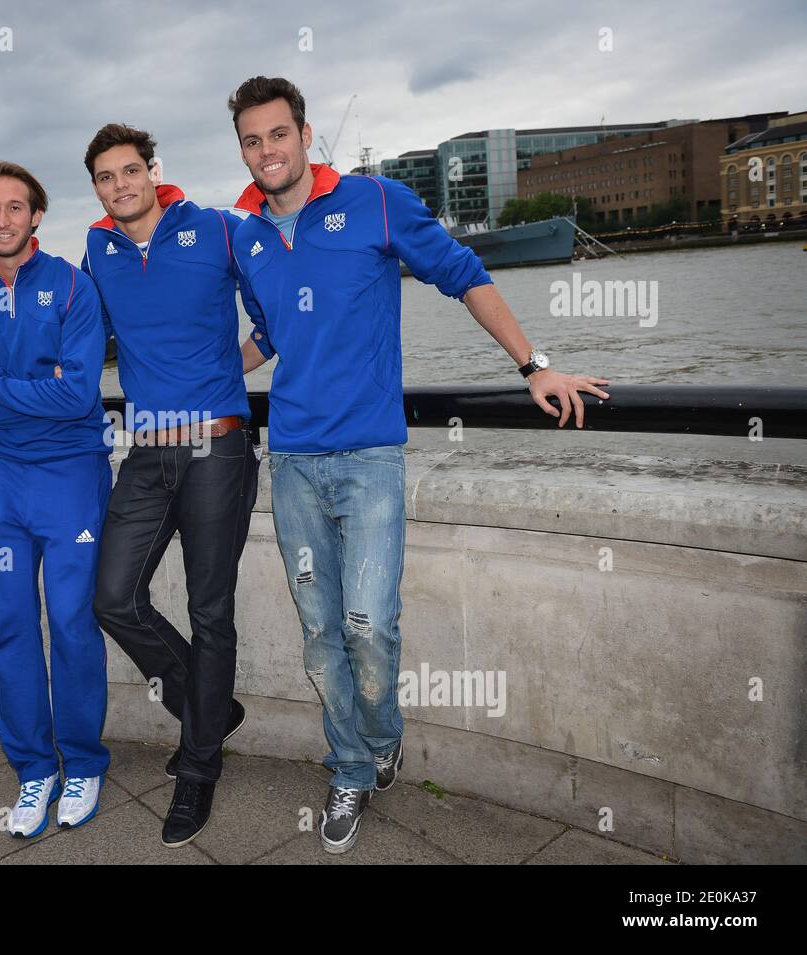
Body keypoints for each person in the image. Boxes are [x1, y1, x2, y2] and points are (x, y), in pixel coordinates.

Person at [226, 76, 611, 854]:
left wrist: (535, 364)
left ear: (304, 135)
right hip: (294, 460)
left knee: (370, 624)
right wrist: (203, 391)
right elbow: (267, 337)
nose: (267, 150)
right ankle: (349, 769)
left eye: (278, 134)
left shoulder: (376, 201)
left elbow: (462, 274)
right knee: (319, 633)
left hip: (370, 456)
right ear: (243, 148)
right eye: (251, 140)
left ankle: (381, 734)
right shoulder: (248, 236)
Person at [81, 124, 260, 847]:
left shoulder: (215, 229)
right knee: (113, 597)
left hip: (216, 448)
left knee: (211, 610)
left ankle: (200, 764)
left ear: (154, 171)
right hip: (148, 456)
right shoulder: (97, 248)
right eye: (105, 176)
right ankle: (207, 706)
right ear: (95, 187)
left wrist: (222, 376)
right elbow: (73, 328)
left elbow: (276, 317)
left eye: (131, 170)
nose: (120, 185)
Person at [0, 160, 112, 838]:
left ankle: (85, 760)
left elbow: (79, 395)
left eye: (16, 207)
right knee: (10, 628)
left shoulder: (72, 285)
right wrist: (25, 392)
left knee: (71, 625)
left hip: (72, 479)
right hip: (3, 483)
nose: (3, 218)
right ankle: (34, 766)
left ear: (37, 215)